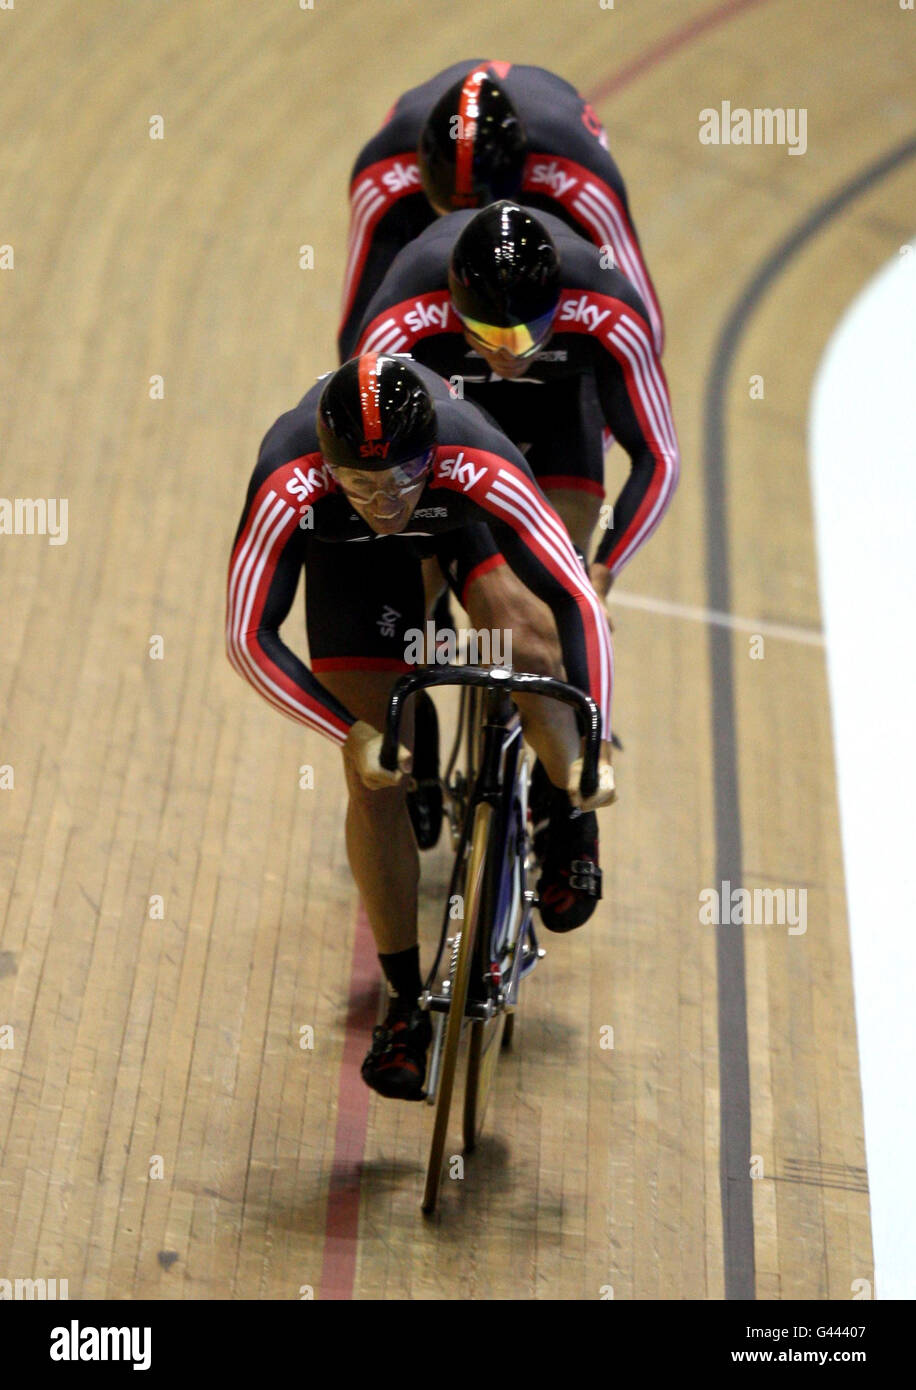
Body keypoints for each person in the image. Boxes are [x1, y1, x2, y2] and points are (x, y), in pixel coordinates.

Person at [226, 353, 616, 1100]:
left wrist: (590, 745)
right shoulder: (288, 477)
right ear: (326, 463)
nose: (385, 500)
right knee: (372, 780)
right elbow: (248, 638)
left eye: (400, 478)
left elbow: (575, 598)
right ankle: (405, 1006)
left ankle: (563, 809)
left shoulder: (475, 455)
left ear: (431, 452)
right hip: (348, 563)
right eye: (363, 483)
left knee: (530, 644)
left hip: (460, 522)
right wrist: (349, 730)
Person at [353, 200, 680, 603]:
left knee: (550, 608)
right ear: (454, 309)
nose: (508, 355)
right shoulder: (403, 312)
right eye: (488, 336)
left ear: (558, 307)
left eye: (526, 336)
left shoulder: (608, 305)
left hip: (556, 404)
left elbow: (657, 455)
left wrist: (601, 574)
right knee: (410, 592)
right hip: (445, 411)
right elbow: (361, 442)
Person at [338, 60, 663, 363]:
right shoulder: (383, 170)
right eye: (450, 210)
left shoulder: (580, 175)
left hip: (544, 193)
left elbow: (637, 314)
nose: (462, 222)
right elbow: (360, 315)